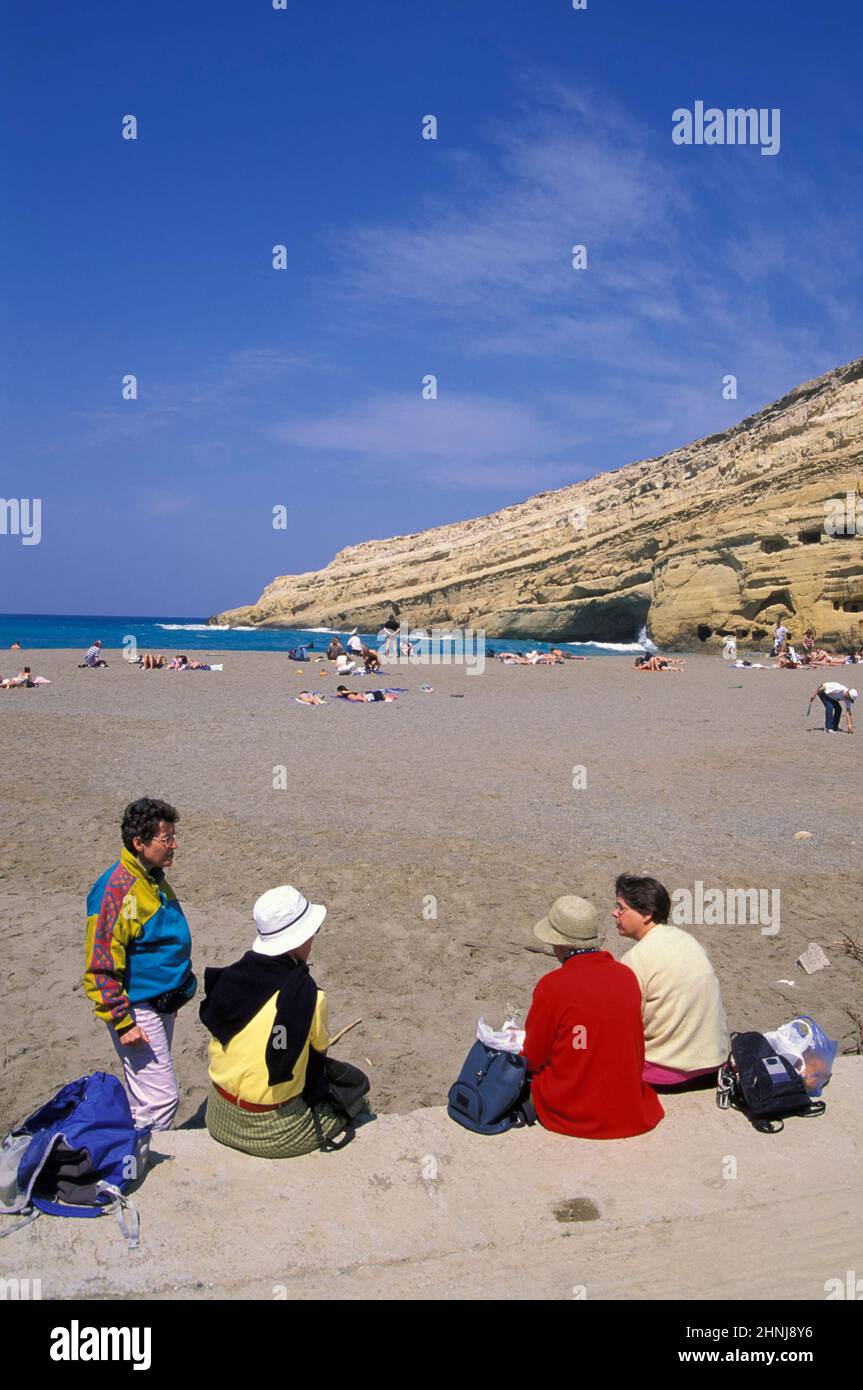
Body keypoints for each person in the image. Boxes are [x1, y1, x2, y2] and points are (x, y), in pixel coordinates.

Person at [200, 885, 370, 1158]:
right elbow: (320, 1053)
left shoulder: (230, 977)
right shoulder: (310, 996)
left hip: (218, 1112)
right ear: (299, 939)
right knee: (356, 1099)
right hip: (272, 1130)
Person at [83, 798, 196, 1130]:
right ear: (139, 843)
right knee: (162, 1099)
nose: (174, 844)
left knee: (144, 1095)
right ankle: (140, 1162)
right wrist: (122, 1021)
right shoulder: (116, 891)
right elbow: (99, 963)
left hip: (162, 1002)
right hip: (137, 1008)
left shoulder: (152, 877)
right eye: (166, 838)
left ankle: (128, 1151)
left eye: (174, 836)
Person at [522, 896, 664, 1138]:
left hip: (572, 1110)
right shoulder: (626, 977)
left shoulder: (552, 986)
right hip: (629, 1107)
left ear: (559, 944)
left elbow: (534, 1057)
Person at [614, 874, 729, 1088]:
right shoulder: (688, 941)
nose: (614, 913)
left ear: (646, 914)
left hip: (666, 1072)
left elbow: (624, 1025)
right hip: (714, 1065)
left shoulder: (636, 958)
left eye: (621, 908)